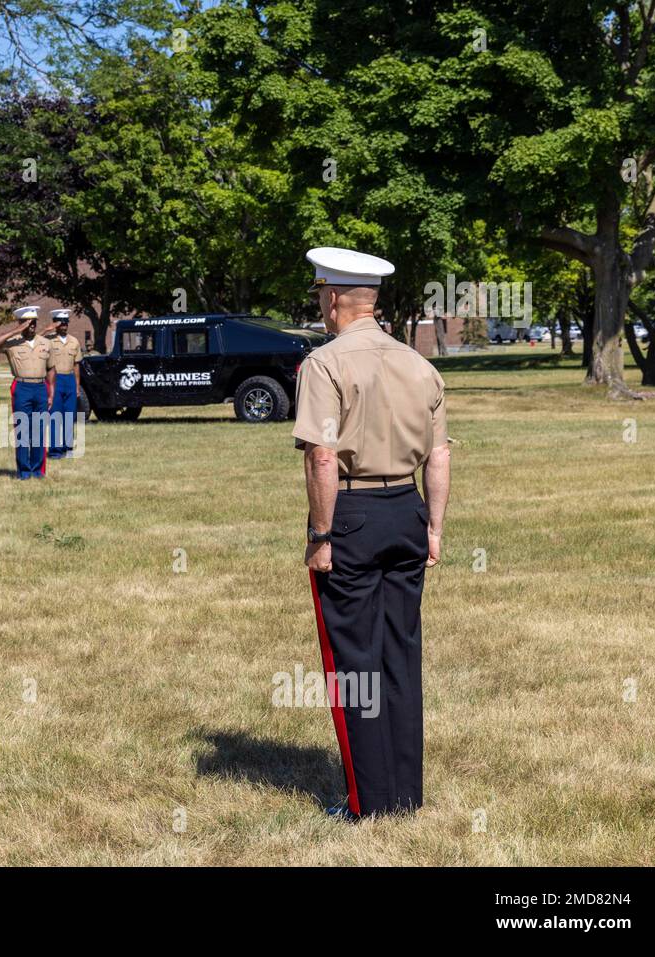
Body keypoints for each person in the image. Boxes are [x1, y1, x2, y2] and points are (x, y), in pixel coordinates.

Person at [292, 247, 451, 819]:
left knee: (354, 662)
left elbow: (322, 457)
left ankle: (370, 803)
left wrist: (320, 533)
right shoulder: (419, 364)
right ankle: (406, 797)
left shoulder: (325, 363)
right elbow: (437, 456)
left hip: (353, 516)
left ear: (333, 298)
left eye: (319, 294)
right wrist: (433, 526)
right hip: (406, 508)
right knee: (400, 655)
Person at [0, 306, 55, 479]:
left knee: (39, 431)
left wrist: (51, 392)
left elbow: (51, 369)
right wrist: (16, 330)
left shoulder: (45, 343)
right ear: (21, 323)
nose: (31, 326)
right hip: (22, 387)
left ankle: (38, 470)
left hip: (41, 388)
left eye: (33, 323)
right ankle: (24, 471)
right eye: (27, 323)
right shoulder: (13, 342)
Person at [45, 309, 82, 459]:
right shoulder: (48, 340)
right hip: (55, 379)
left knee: (69, 415)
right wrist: (47, 329)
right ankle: (55, 450)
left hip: (69, 380)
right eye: (60, 323)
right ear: (55, 323)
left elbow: (76, 365)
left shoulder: (74, 341)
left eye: (66, 323)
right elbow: (32, 339)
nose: (64, 326)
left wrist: (77, 385)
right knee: (55, 415)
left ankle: (67, 448)